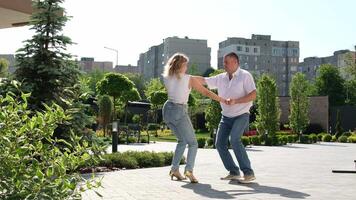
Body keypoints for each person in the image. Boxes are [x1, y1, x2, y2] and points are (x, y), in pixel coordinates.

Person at [162, 53, 227, 183]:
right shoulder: (188, 79)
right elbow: (206, 92)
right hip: (179, 110)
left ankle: (174, 169)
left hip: (167, 110)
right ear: (181, 65)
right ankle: (189, 170)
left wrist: (206, 78)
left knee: (182, 141)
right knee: (193, 143)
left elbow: (193, 78)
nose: (187, 67)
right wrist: (222, 100)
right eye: (185, 64)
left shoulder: (167, 77)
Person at [196, 52, 257, 183]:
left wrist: (236, 101)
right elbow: (204, 81)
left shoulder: (245, 76)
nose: (224, 64)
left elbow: (253, 95)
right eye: (223, 62)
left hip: (241, 114)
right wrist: (187, 77)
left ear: (235, 62)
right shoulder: (221, 77)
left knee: (234, 140)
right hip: (226, 117)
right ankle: (234, 171)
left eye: (226, 62)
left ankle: (248, 172)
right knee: (219, 143)